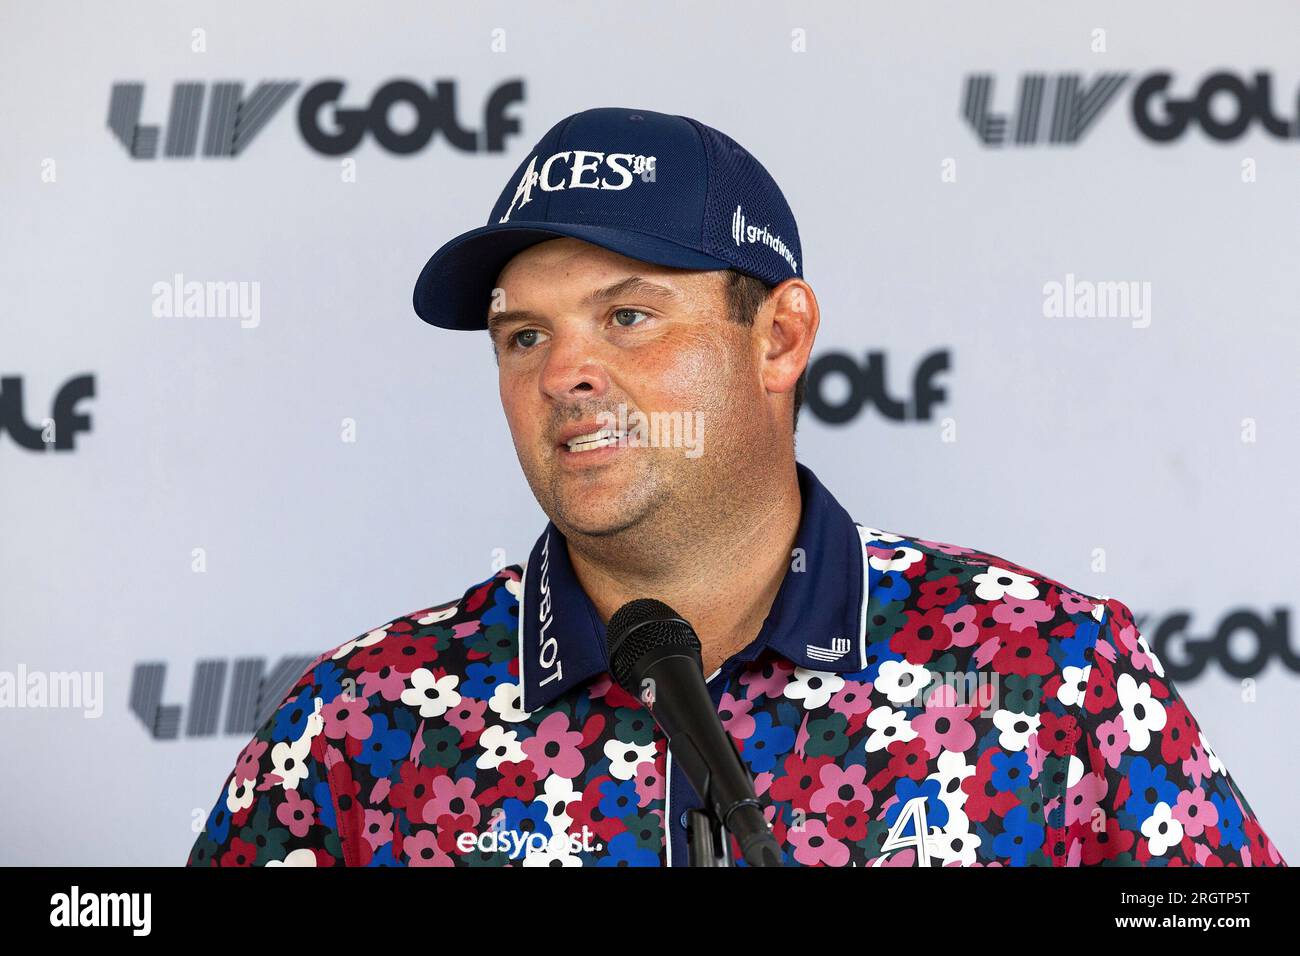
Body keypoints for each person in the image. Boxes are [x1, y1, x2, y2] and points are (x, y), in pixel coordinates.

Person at [185, 107, 1285, 867]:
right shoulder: (358, 721)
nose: (564, 371)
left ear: (781, 335)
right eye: (524, 334)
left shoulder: (1046, 669)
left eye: (628, 315)